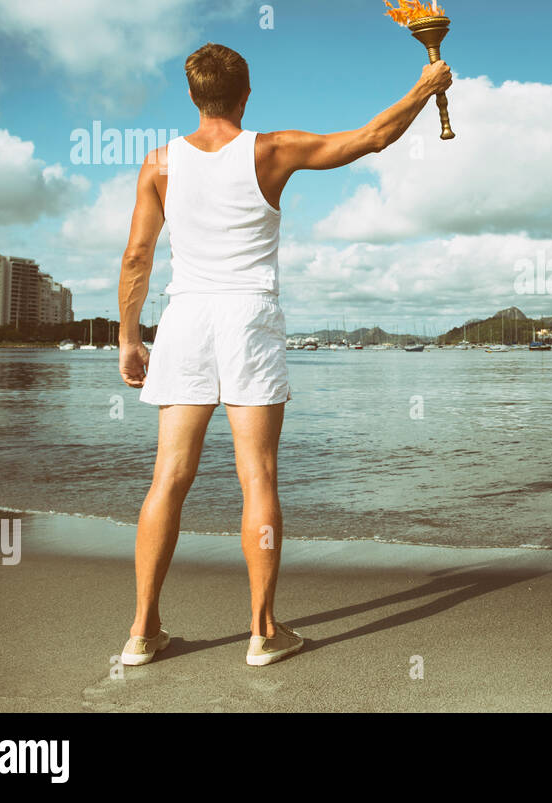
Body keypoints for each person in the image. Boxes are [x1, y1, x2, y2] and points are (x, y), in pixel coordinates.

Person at [116, 42, 452, 666]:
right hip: (248, 317)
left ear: (192, 96)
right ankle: (263, 633)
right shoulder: (270, 150)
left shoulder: (159, 163)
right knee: (258, 476)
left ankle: (142, 632)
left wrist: (129, 337)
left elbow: (138, 257)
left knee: (169, 476)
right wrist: (425, 87)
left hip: (185, 318)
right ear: (246, 94)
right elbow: (371, 139)